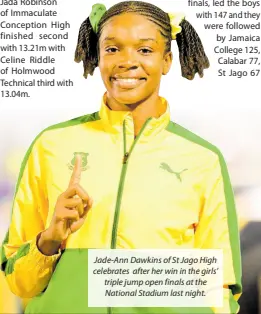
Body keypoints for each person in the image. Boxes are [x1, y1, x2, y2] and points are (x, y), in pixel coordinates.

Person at [0, 1, 242, 313]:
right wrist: (49, 239)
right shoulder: (51, 145)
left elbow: (219, 289)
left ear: (167, 60)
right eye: (112, 49)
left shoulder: (203, 159)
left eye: (144, 50)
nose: (126, 62)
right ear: (97, 56)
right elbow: (19, 283)